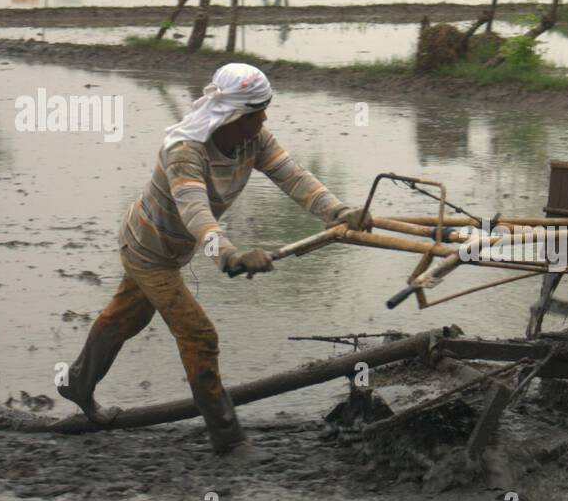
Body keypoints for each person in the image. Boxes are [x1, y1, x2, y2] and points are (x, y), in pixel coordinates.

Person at [58, 63, 367, 457]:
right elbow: (195, 213)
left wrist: (338, 212)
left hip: (175, 248)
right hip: (148, 250)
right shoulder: (185, 152)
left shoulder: (253, 140)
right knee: (199, 335)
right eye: (258, 113)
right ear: (233, 116)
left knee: (126, 318)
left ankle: (76, 384)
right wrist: (228, 254)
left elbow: (293, 176)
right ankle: (228, 438)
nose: (265, 119)